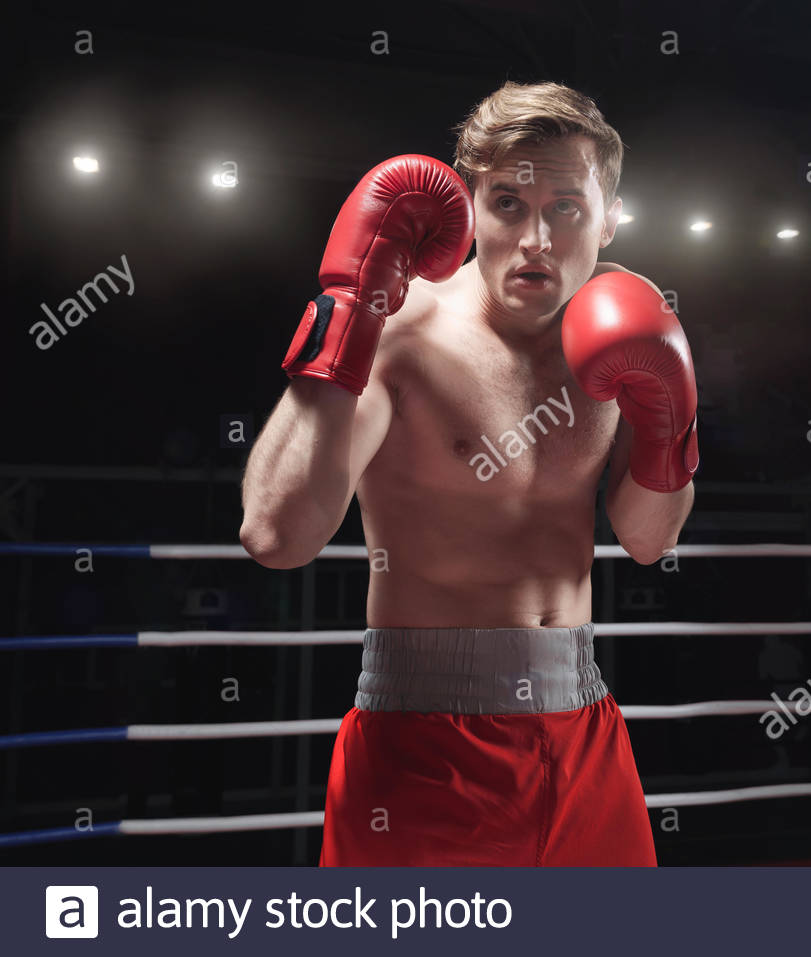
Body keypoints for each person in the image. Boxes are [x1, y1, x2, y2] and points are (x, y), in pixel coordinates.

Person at [239, 81, 698, 866]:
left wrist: (670, 421)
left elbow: (648, 540)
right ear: (470, 206)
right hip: (422, 743)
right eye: (509, 204)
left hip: (584, 729)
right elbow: (277, 536)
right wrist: (349, 310)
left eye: (566, 207)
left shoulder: (624, 326)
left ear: (611, 216)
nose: (536, 240)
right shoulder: (402, 330)